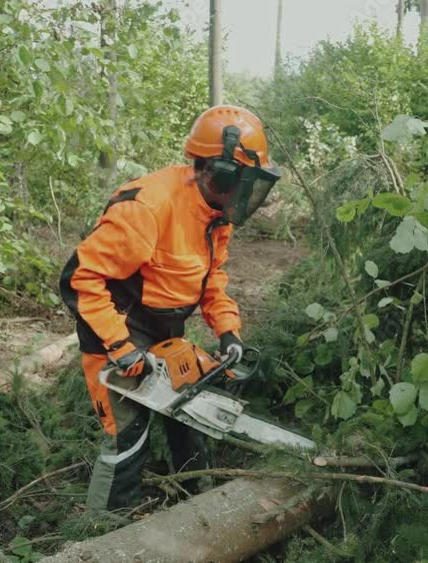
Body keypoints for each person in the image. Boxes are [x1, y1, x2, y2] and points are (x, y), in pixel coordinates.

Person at [59, 105, 281, 516]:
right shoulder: (147, 208)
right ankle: (99, 537)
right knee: (127, 438)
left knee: (191, 414)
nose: (247, 194)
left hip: (163, 329)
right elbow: (79, 280)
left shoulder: (216, 213)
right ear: (220, 173)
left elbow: (211, 278)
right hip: (114, 329)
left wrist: (227, 330)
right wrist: (122, 347)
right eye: (244, 182)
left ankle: (199, 511)